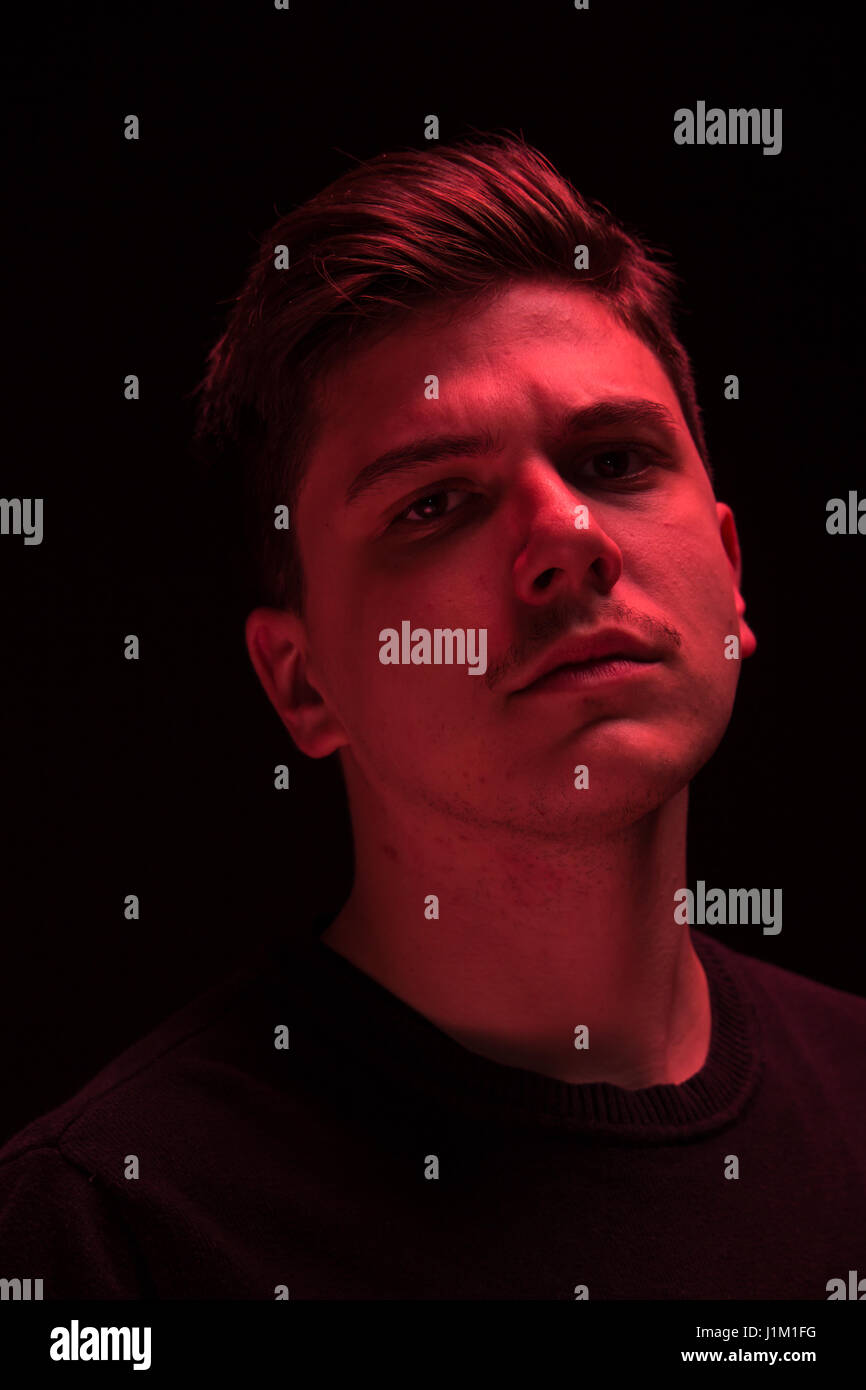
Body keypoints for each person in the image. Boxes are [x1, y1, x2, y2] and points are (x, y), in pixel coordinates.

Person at [1, 134, 863, 1301]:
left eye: (611, 458)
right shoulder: (105, 1234)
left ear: (730, 574)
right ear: (301, 682)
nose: (567, 539)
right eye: (436, 502)